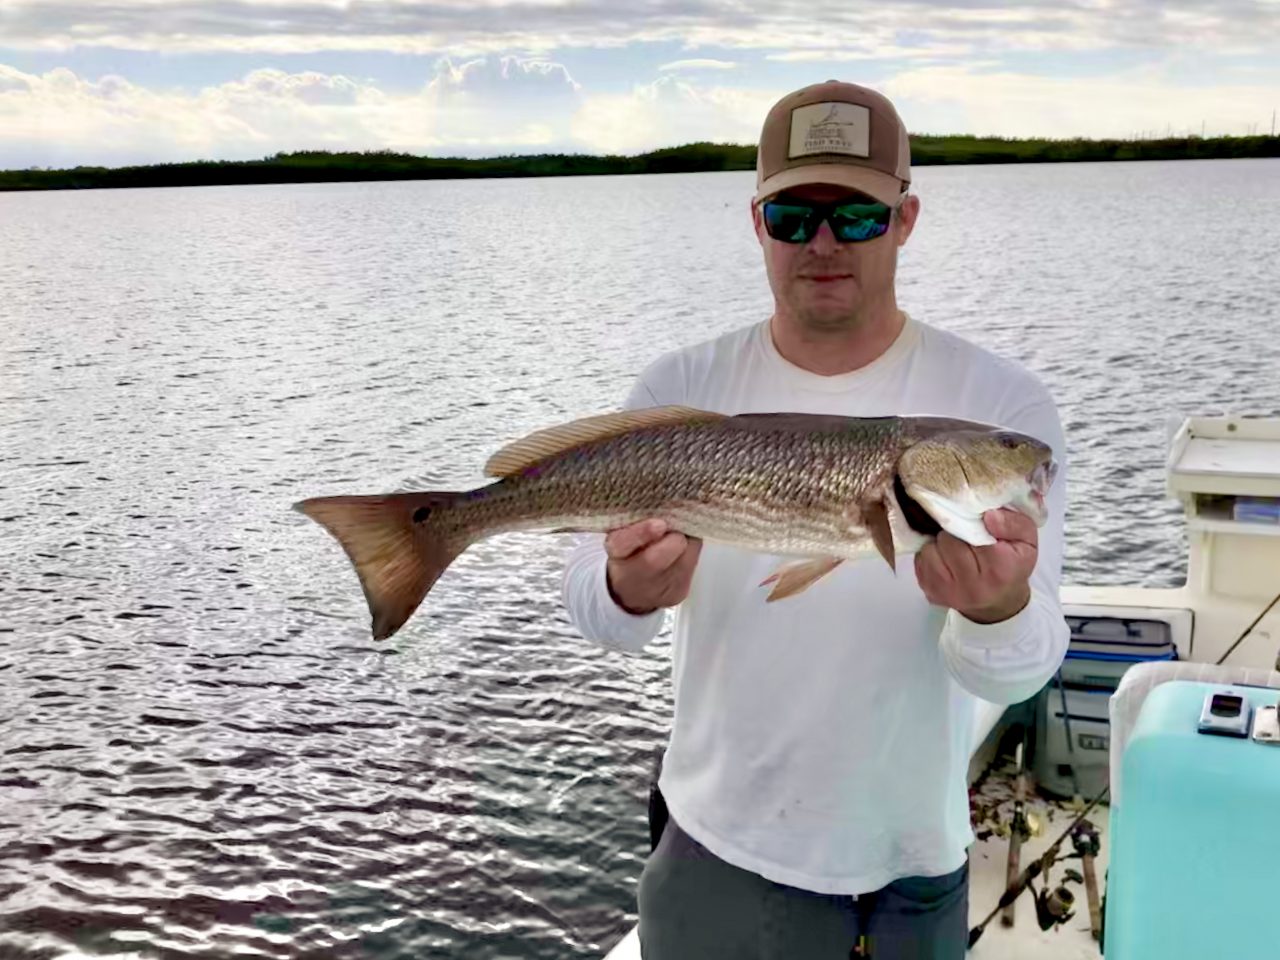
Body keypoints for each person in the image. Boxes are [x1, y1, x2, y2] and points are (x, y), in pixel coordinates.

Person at [561, 79, 1069, 959]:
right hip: (718, 845)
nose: (824, 244)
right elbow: (596, 618)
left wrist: (995, 609)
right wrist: (625, 587)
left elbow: (1019, 676)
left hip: (912, 859)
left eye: (858, 218)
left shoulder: (998, 401)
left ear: (906, 219)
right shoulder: (682, 388)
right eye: (795, 217)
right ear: (756, 222)